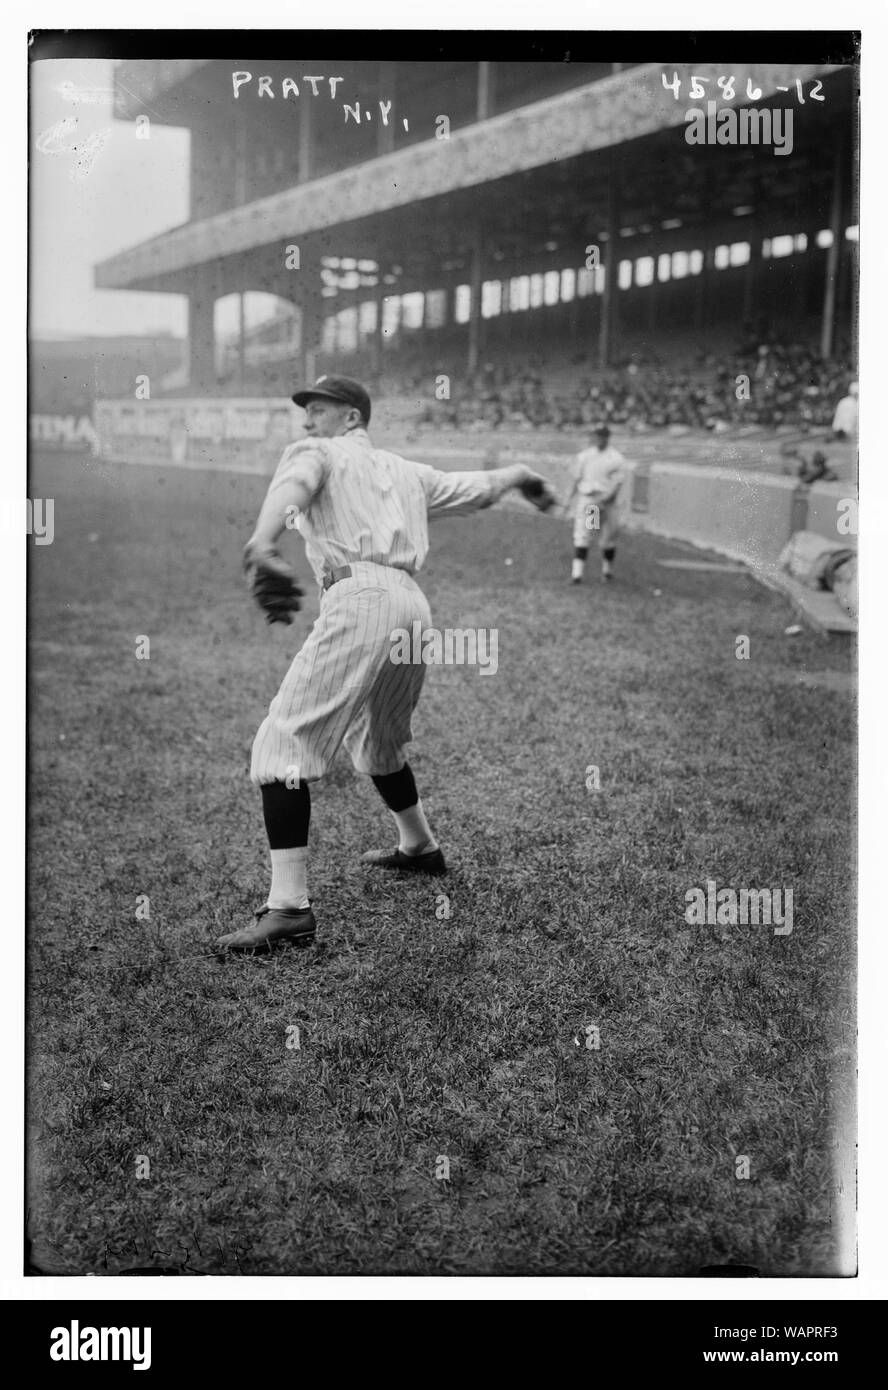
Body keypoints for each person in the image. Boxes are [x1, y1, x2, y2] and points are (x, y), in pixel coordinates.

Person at [217, 374, 553, 952]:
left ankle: (288, 908)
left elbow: (294, 484)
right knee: (380, 739)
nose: (307, 420)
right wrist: (521, 476)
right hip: (412, 606)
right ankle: (419, 846)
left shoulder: (318, 452)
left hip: (360, 597)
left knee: (284, 743)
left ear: (351, 418)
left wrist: (262, 543)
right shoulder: (409, 472)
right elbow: (477, 488)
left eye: (318, 410)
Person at [564, 422, 628, 584]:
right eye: (597, 435)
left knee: (608, 537)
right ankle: (577, 574)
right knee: (585, 534)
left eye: (602, 435)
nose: (599, 438)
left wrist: (605, 499)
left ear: (608, 437)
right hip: (592, 502)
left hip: (607, 502)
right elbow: (577, 478)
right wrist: (568, 499)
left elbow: (617, 484)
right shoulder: (585, 456)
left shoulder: (616, 458)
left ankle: (607, 571)